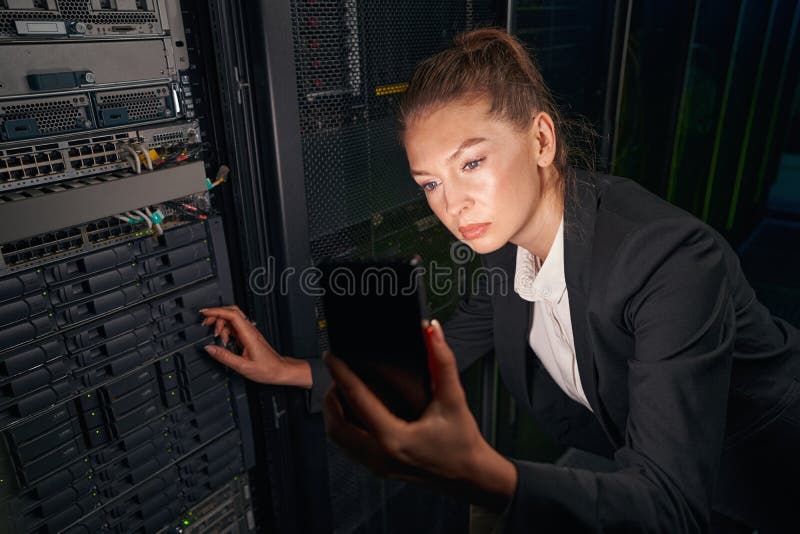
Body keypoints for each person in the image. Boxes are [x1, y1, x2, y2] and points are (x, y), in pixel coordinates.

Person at [199, 28, 800, 532]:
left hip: (773, 470)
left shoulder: (666, 259)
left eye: (472, 162)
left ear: (541, 139)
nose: (452, 204)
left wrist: (482, 474)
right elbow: (448, 347)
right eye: (430, 182)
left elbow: (670, 503)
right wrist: (290, 369)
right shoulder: (505, 254)